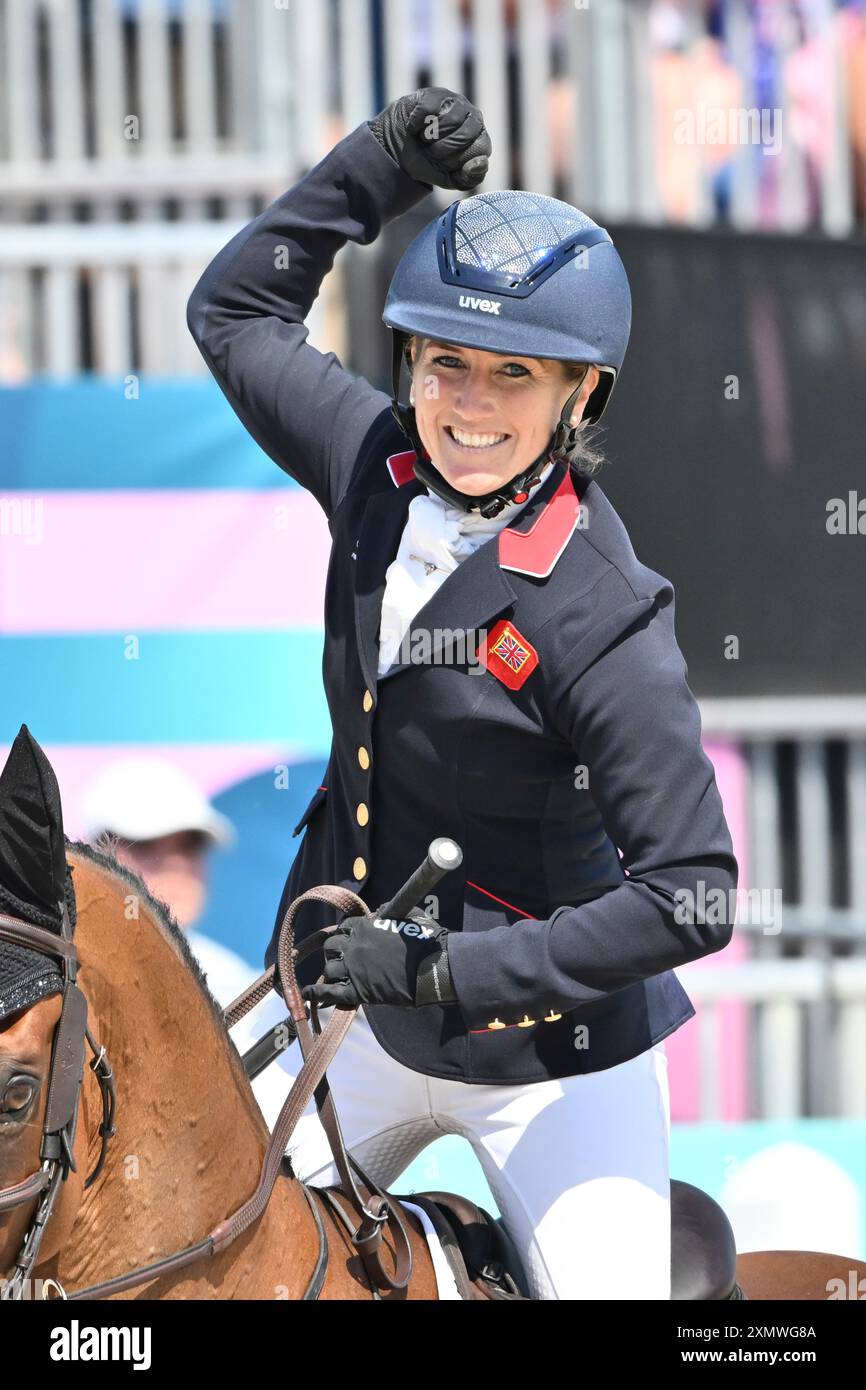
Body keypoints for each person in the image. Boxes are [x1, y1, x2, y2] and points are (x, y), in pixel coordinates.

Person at [186, 88, 738, 1300]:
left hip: (553, 1060)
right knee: (169, 1246)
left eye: (512, 376)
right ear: (409, 364)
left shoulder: (605, 613)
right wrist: (372, 167)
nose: (469, 407)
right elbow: (231, 310)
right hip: (348, 1024)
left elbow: (693, 894)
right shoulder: (371, 462)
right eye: (445, 365)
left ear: (576, 398)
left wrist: (441, 971)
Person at [80, 755, 287, 1121]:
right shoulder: (49, 972)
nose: (177, 864)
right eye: (147, 846)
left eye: (189, 845)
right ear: (94, 854)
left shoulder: (237, 985)